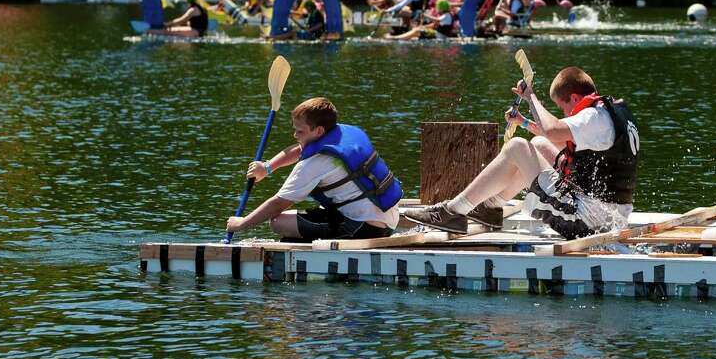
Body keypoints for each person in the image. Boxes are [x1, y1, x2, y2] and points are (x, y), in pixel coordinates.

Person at [403, 67, 640, 238]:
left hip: (588, 222)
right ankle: (490, 208)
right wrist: (525, 122)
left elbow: (554, 129)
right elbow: (562, 142)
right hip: (609, 216)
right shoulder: (610, 113)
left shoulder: (592, 117)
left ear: (575, 98)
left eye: (562, 107)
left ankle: (452, 212)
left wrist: (530, 97)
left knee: (517, 146)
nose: (565, 114)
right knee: (537, 143)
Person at [226, 97, 401, 242]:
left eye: (299, 131)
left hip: (365, 228)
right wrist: (267, 167)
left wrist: (241, 224)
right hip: (386, 219)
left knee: (278, 222)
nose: (295, 135)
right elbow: (299, 148)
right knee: (294, 229)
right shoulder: (339, 134)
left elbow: (278, 203)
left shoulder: (315, 163)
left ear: (318, 131)